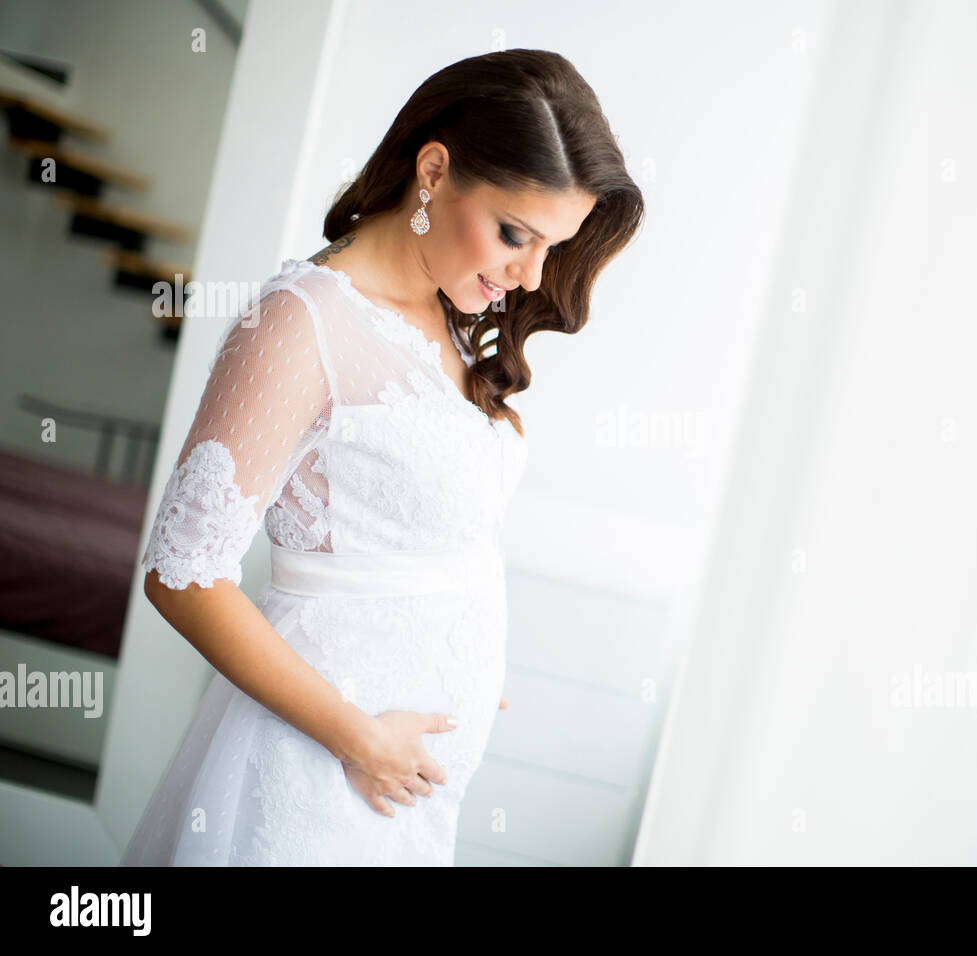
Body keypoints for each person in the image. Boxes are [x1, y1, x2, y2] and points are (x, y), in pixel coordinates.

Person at [120, 48, 644, 865]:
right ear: (434, 170)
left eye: (552, 246)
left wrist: (454, 649)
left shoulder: (446, 317)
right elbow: (182, 574)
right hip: (324, 767)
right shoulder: (301, 324)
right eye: (515, 234)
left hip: (406, 784)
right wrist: (358, 736)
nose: (530, 274)